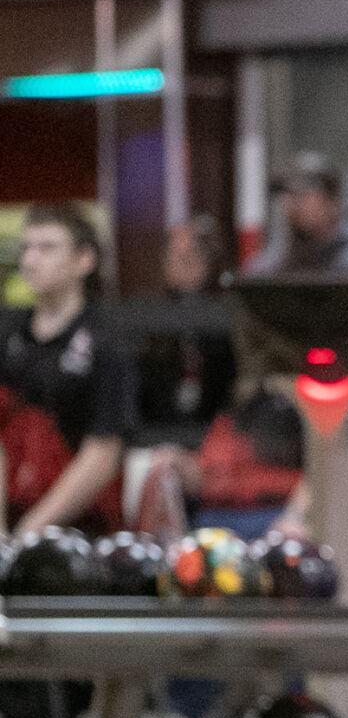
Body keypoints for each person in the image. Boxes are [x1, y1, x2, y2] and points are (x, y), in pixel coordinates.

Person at [0, 203, 134, 534]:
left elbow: (102, 453)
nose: (30, 260)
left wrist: (30, 533)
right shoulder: (7, 332)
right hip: (10, 515)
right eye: (27, 247)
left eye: (47, 248)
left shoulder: (107, 341)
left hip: (82, 531)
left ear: (84, 260)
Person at [135, 215, 238, 449]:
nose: (185, 263)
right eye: (176, 255)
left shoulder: (229, 313)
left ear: (211, 260)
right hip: (157, 434)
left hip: (217, 435)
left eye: (194, 255)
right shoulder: (148, 314)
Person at [244, 153, 348, 276]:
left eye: (302, 194)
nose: (291, 203)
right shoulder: (279, 257)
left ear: (333, 202)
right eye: (287, 194)